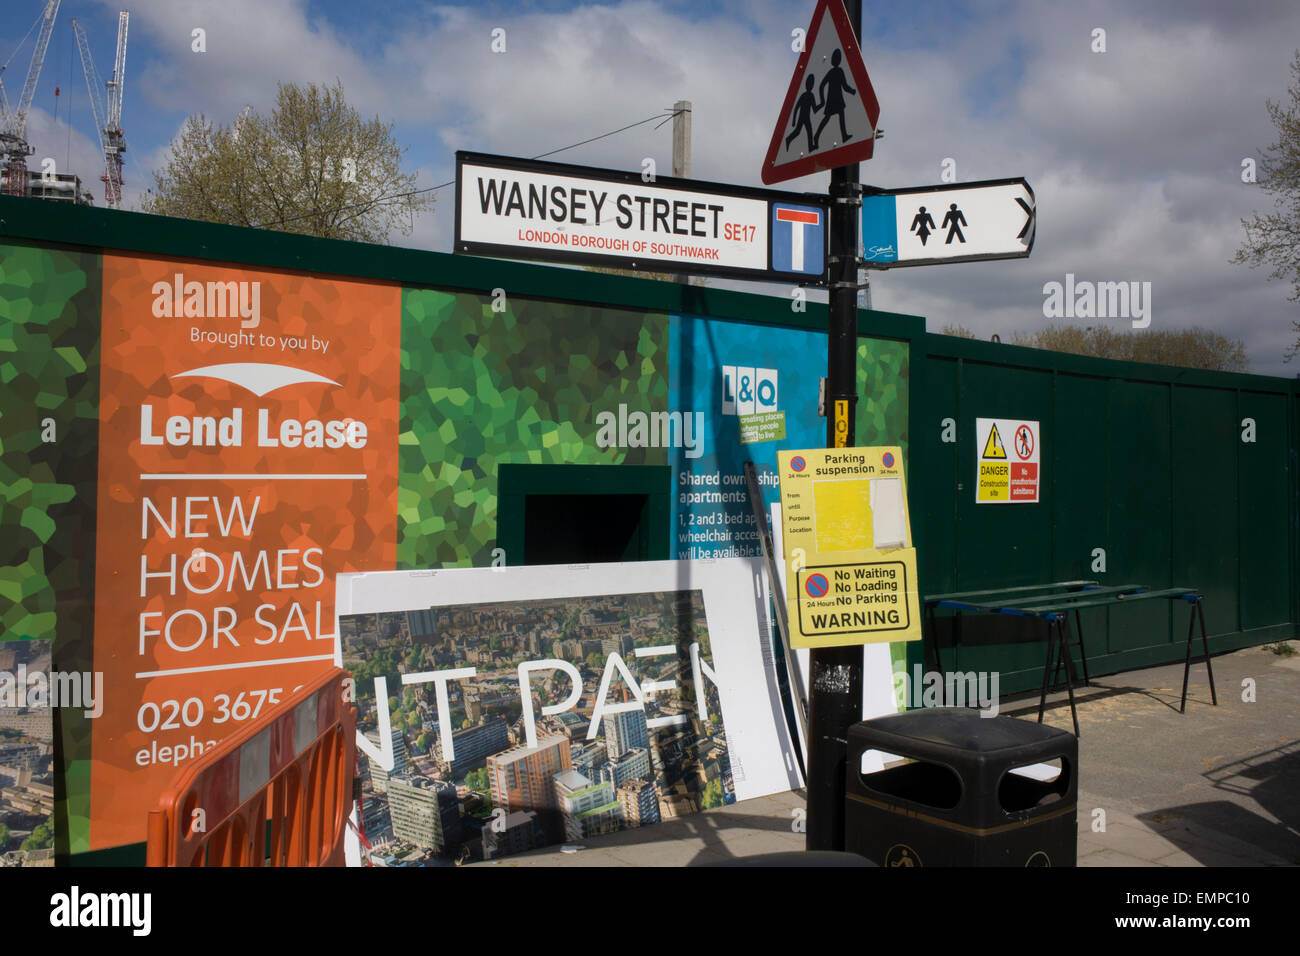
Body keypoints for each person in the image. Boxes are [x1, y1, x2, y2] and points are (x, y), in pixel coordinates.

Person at [813, 49, 856, 149]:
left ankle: (818, 136)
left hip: (833, 99)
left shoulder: (831, 72)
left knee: (831, 117)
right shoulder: (838, 71)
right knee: (833, 117)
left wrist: (822, 100)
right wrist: (853, 91)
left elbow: (822, 86)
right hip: (836, 99)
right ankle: (818, 136)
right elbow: (844, 86)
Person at [786, 74, 819, 153]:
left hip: (804, 117)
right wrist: (793, 120)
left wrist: (821, 105)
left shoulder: (808, 95)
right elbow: (797, 107)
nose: (811, 85)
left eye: (812, 83)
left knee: (802, 131)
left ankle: (790, 139)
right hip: (803, 117)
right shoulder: (808, 95)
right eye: (810, 83)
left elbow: (814, 109)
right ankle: (789, 139)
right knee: (804, 131)